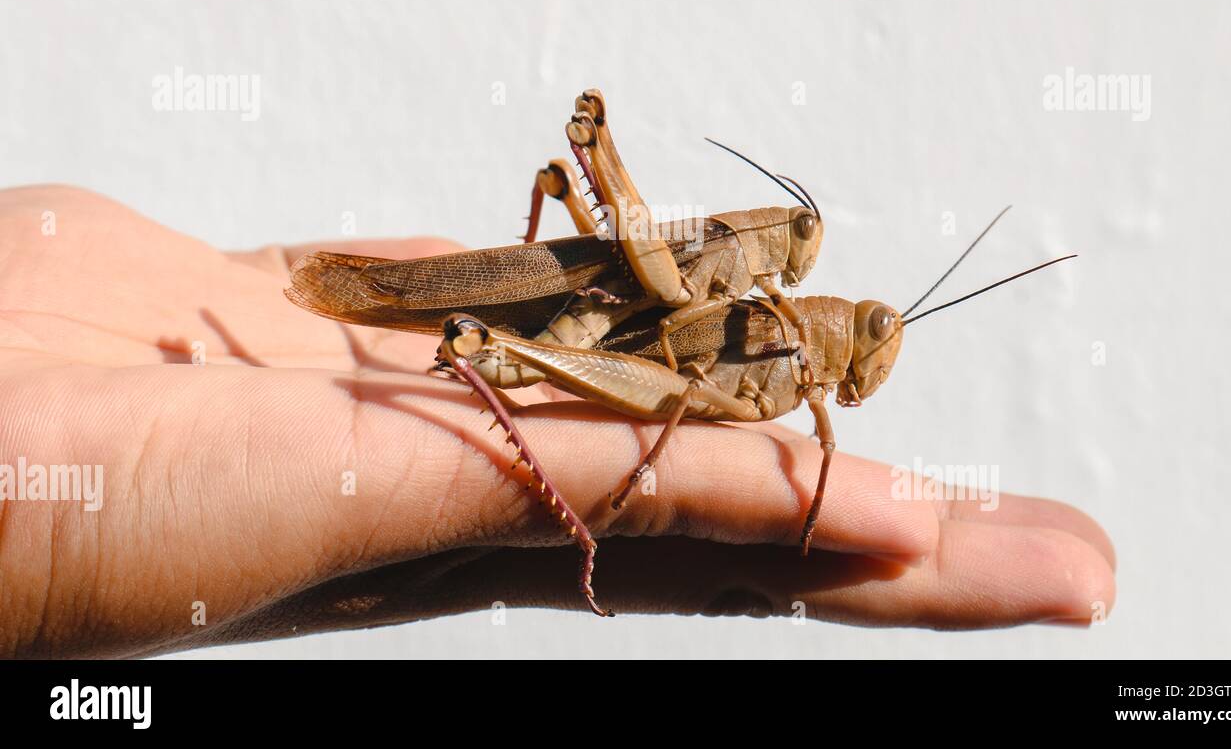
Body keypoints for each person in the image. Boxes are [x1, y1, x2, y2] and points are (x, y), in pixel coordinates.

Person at [0, 186, 1115, 657]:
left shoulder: (780, 332)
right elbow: (686, 385)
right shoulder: (770, 320)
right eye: (873, 329)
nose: (868, 350)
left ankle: (494, 358)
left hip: (626, 341)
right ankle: (501, 367)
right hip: (612, 354)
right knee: (648, 385)